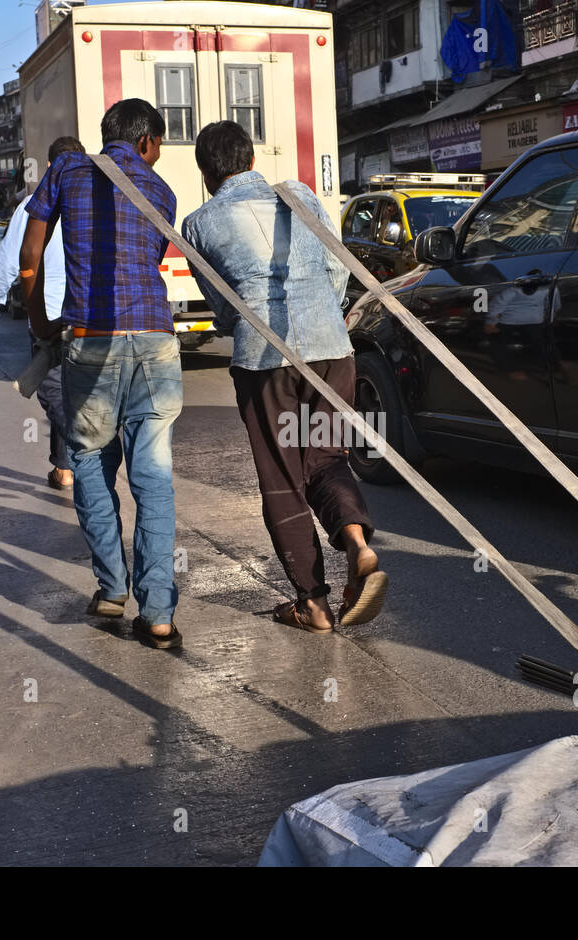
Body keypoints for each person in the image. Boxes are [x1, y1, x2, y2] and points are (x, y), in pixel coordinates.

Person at [181, 120, 388, 634]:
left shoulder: (199, 223)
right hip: (331, 349)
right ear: (252, 159)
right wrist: (322, 312)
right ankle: (358, 545)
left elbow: (222, 307)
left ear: (208, 173)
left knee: (282, 479)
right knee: (326, 458)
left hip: (263, 361)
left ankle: (313, 603)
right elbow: (336, 268)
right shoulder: (298, 193)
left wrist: (244, 323)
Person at [18, 98, 184, 650]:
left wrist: (39, 315)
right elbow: (151, 258)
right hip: (156, 339)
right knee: (153, 475)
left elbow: (32, 247)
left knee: (89, 458)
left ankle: (113, 588)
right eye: (157, 146)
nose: (156, 157)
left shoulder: (67, 168)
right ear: (145, 142)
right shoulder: (160, 192)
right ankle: (158, 612)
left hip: (91, 338)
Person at [0, 138, 82, 491]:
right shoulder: (93, 202)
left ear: (51, 167)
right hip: (87, 317)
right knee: (74, 392)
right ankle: (66, 467)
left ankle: (73, 464)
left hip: (48, 317)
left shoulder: (30, 206)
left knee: (55, 392)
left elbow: (10, 260)